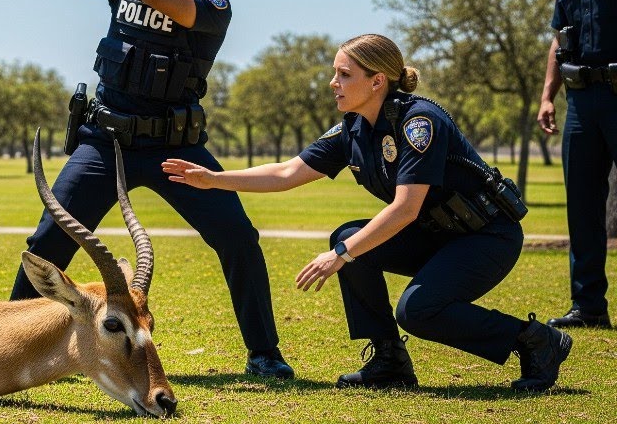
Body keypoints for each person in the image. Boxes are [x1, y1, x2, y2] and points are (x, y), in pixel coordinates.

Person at [164, 34, 572, 391]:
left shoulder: (419, 123)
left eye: (344, 74)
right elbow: (287, 172)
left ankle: (535, 340)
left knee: (416, 310)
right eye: (335, 73)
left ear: (377, 81)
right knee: (349, 235)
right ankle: (389, 361)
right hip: (437, 235)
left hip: (485, 237)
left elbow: (405, 208)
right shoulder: (354, 129)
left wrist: (340, 256)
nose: (333, 83)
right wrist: (212, 178)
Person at [9, 0, 294, 379]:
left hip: (176, 152)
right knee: (50, 242)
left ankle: (264, 352)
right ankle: (8, 346)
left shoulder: (213, 5)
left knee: (238, 238)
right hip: (106, 144)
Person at [537, 0, 616, 329]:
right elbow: (558, 39)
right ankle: (588, 307)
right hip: (581, 103)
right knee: (582, 204)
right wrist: (548, 95)